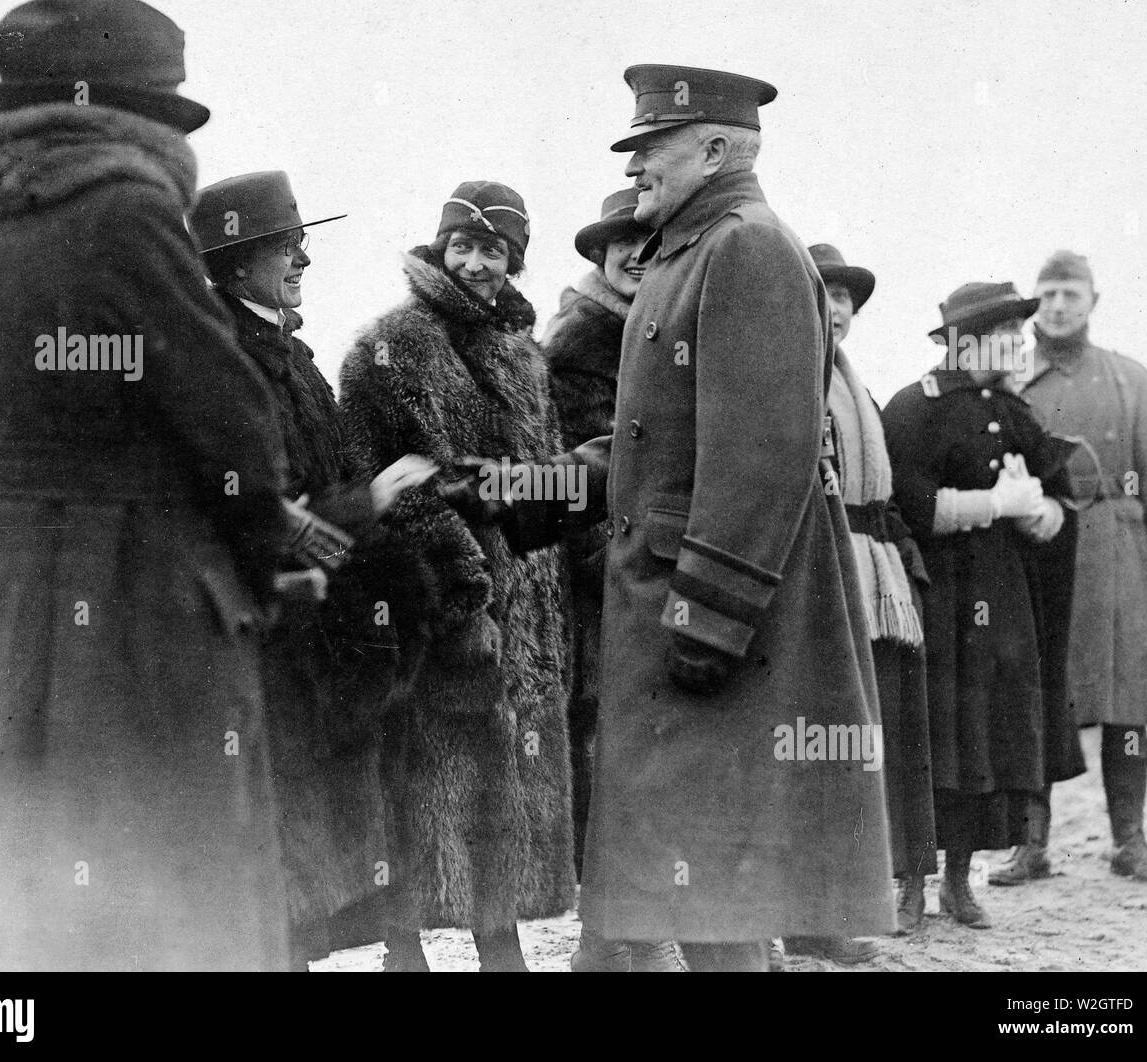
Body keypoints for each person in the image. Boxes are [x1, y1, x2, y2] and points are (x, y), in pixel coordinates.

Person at [446, 66, 896, 972]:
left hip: (709, 620)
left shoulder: (749, 248)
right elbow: (659, 447)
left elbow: (760, 455)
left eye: (653, 148)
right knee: (679, 877)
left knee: (709, 886)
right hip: (667, 608)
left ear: (718, 149)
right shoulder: (687, 251)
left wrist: (711, 614)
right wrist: (517, 490)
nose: (638, 164)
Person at [0, 0, 348, 970]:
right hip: (138, 597)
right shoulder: (126, 207)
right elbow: (223, 409)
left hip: (24, 596)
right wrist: (269, 548)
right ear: (134, 115)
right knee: (181, 887)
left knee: (55, 892)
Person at [189, 171, 437, 969]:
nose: (303, 260)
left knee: (316, 841)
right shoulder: (227, 360)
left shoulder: (290, 353)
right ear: (234, 266)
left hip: (321, 636)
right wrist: (369, 500)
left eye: (301, 244)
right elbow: (252, 511)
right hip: (272, 633)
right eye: (283, 247)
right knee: (277, 852)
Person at [338, 181, 575, 971]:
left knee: (505, 771)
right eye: (462, 247)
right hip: (436, 598)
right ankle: (404, 949)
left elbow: (546, 477)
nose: (475, 264)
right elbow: (379, 479)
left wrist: (534, 508)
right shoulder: (393, 345)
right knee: (421, 776)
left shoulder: (525, 356)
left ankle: (500, 943)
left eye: (493, 251)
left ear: (515, 263)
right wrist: (460, 564)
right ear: (440, 249)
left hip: (527, 599)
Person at [882, 281, 1085, 929]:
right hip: (936, 597)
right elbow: (912, 508)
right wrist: (998, 504)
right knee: (929, 736)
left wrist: (1042, 514)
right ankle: (912, 885)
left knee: (984, 739)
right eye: (1010, 334)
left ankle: (960, 884)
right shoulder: (914, 408)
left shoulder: (1011, 410)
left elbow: (1059, 495)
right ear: (969, 340)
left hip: (1000, 600)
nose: (1021, 344)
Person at [541, 189, 681, 972]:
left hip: (634, 569)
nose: (635, 253)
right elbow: (583, 479)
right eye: (620, 242)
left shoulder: (649, 327)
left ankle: (615, 934)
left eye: (649, 239)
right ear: (598, 256)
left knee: (632, 753)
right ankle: (616, 932)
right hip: (602, 580)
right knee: (609, 752)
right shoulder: (585, 339)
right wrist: (627, 575)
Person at [783, 244, 936, 952]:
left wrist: (905, 563)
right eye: (823, 294)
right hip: (820, 575)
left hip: (875, 581)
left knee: (869, 748)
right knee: (820, 749)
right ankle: (807, 919)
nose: (835, 310)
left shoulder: (855, 386)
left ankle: (852, 905)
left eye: (845, 299)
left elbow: (889, 493)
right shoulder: (791, 378)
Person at [1011, 250, 1147, 887]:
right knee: (1036, 696)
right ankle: (1031, 845)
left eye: (1070, 295)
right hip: (1042, 549)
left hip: (1121, 556)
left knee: (1125, 704)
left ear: (1093, 303)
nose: (1058, 306)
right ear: (1034, 301)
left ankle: (1129, 841)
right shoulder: (1013, 385)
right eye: (1048, 293)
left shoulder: (1130, 380)